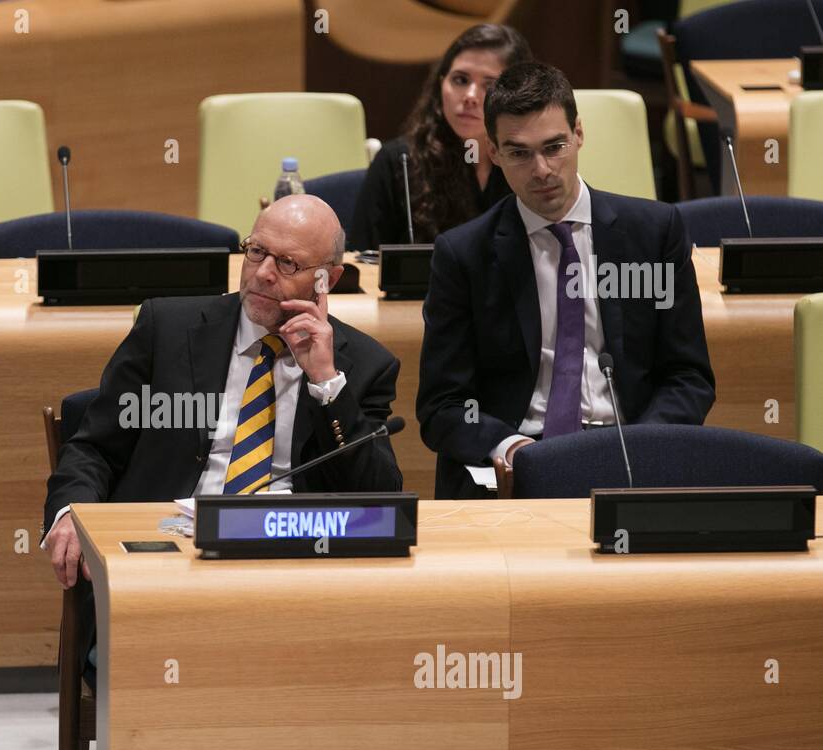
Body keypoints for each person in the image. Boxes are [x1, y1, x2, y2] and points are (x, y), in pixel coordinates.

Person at [44, 195, 404, 684]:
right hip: (169, 562)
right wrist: (70, 513)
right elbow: (95, 446)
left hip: (292, 572)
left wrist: (325, 381)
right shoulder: (166, 329)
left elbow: (375, 502)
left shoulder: (361, 364)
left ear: (328, 280)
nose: (262, 273)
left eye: (288, 263)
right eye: (256, 252)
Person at [416, 61, 716, 500]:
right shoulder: (464, 254)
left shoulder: (653, 233)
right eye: (519, 152)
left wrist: (643, 446)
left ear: (578, 133)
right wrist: (510, 448)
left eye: (554, 146)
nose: (541, 169)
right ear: (494, 153)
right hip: (517, 460)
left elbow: (688, 376)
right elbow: (443, 405)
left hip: (628, 448)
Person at [349, 23, 531, 251]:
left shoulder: (530, 163)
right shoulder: (398, 163)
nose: (470, 96)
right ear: (441, 84)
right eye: (461, 80)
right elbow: (361, 259)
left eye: (490, 85)